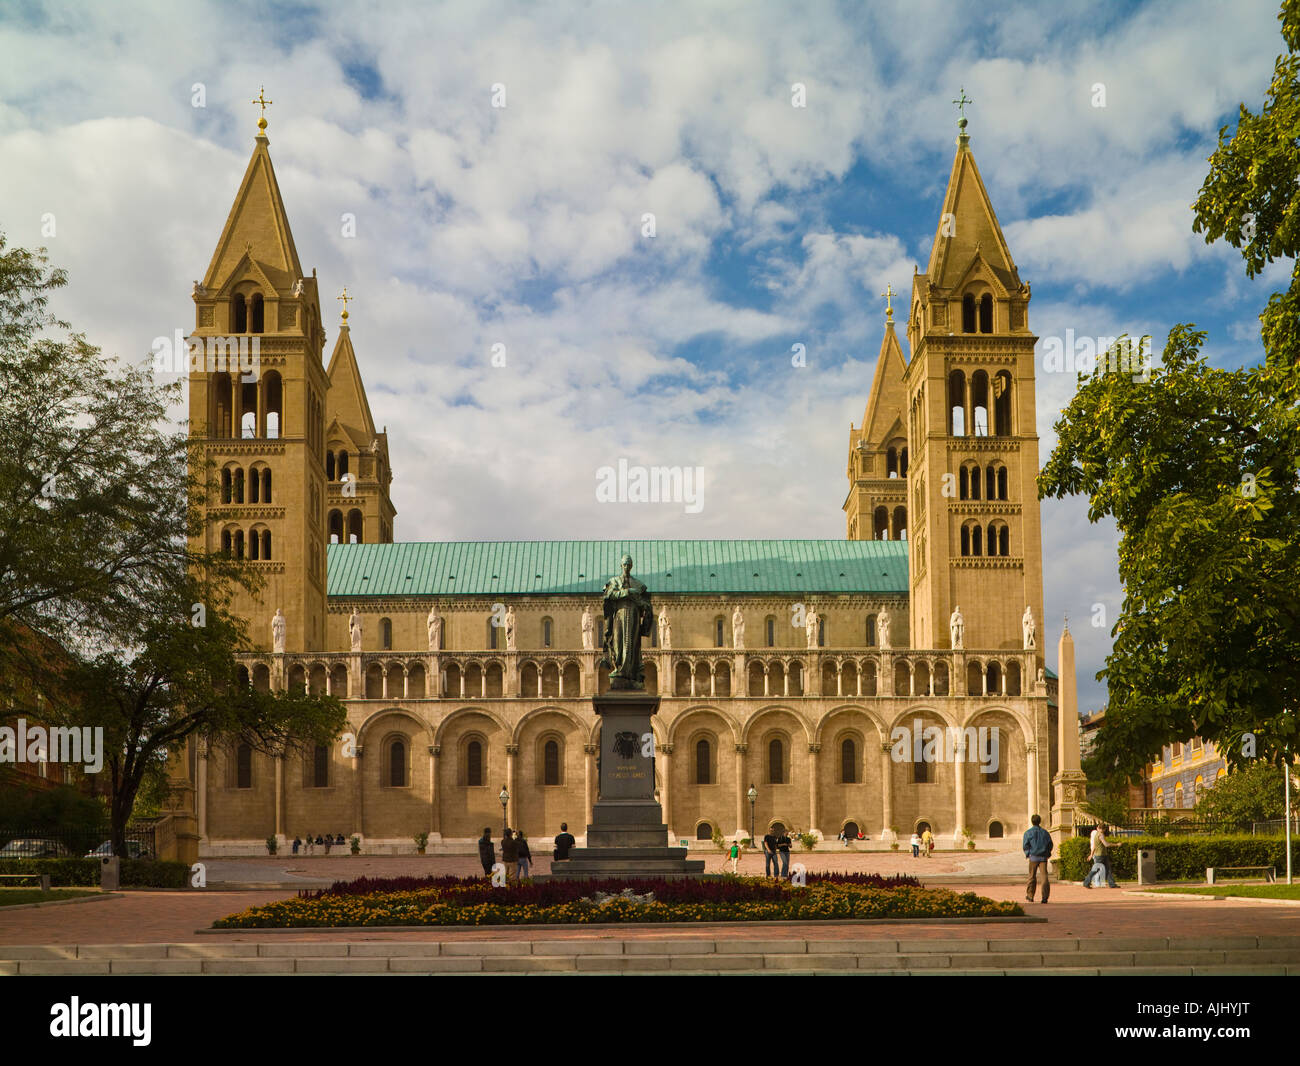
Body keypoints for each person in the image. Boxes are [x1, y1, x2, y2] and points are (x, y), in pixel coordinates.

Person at [1023, 813, 1053, 903]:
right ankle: (1045, 897)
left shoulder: (1028, 833)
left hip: (1033, 857)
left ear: (1032, 822)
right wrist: (1047, 853)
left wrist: (1028, 854)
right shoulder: (1045, 832)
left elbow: (1025, 845)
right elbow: (1050, 844)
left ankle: (1030, 895)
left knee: (1032, 877)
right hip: (1043, 857)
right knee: (1044, 877)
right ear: (1040, 821)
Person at [1084, 824, 1118, 889]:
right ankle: (1086, 882)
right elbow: (1106, 844)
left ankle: (1112, 884)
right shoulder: (1101, 835)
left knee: (1107, 869)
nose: (1101, 830)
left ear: (1097, 828)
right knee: (1095, 870)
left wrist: (1091, 855)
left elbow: (1094, 846)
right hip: (1100, 855)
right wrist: (1116, 844)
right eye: (1101, 829)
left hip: (1101, 855)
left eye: (1102, 829)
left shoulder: (1096, 835)